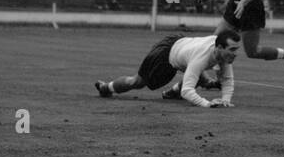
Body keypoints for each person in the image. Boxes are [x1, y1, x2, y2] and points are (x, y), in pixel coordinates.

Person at [95, 29, 241, 108]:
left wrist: (225, 101)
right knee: (137, 82)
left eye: (236, 49)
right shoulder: (201, 57)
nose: (236, 54)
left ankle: (172, 93)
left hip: (181, 46)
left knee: (198, 77)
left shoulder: (222, 54)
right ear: (220, 47)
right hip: (165, 56)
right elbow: (187, 91)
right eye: (233, 49)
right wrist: (208, 104)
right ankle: (106, 87)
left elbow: (227, 80)